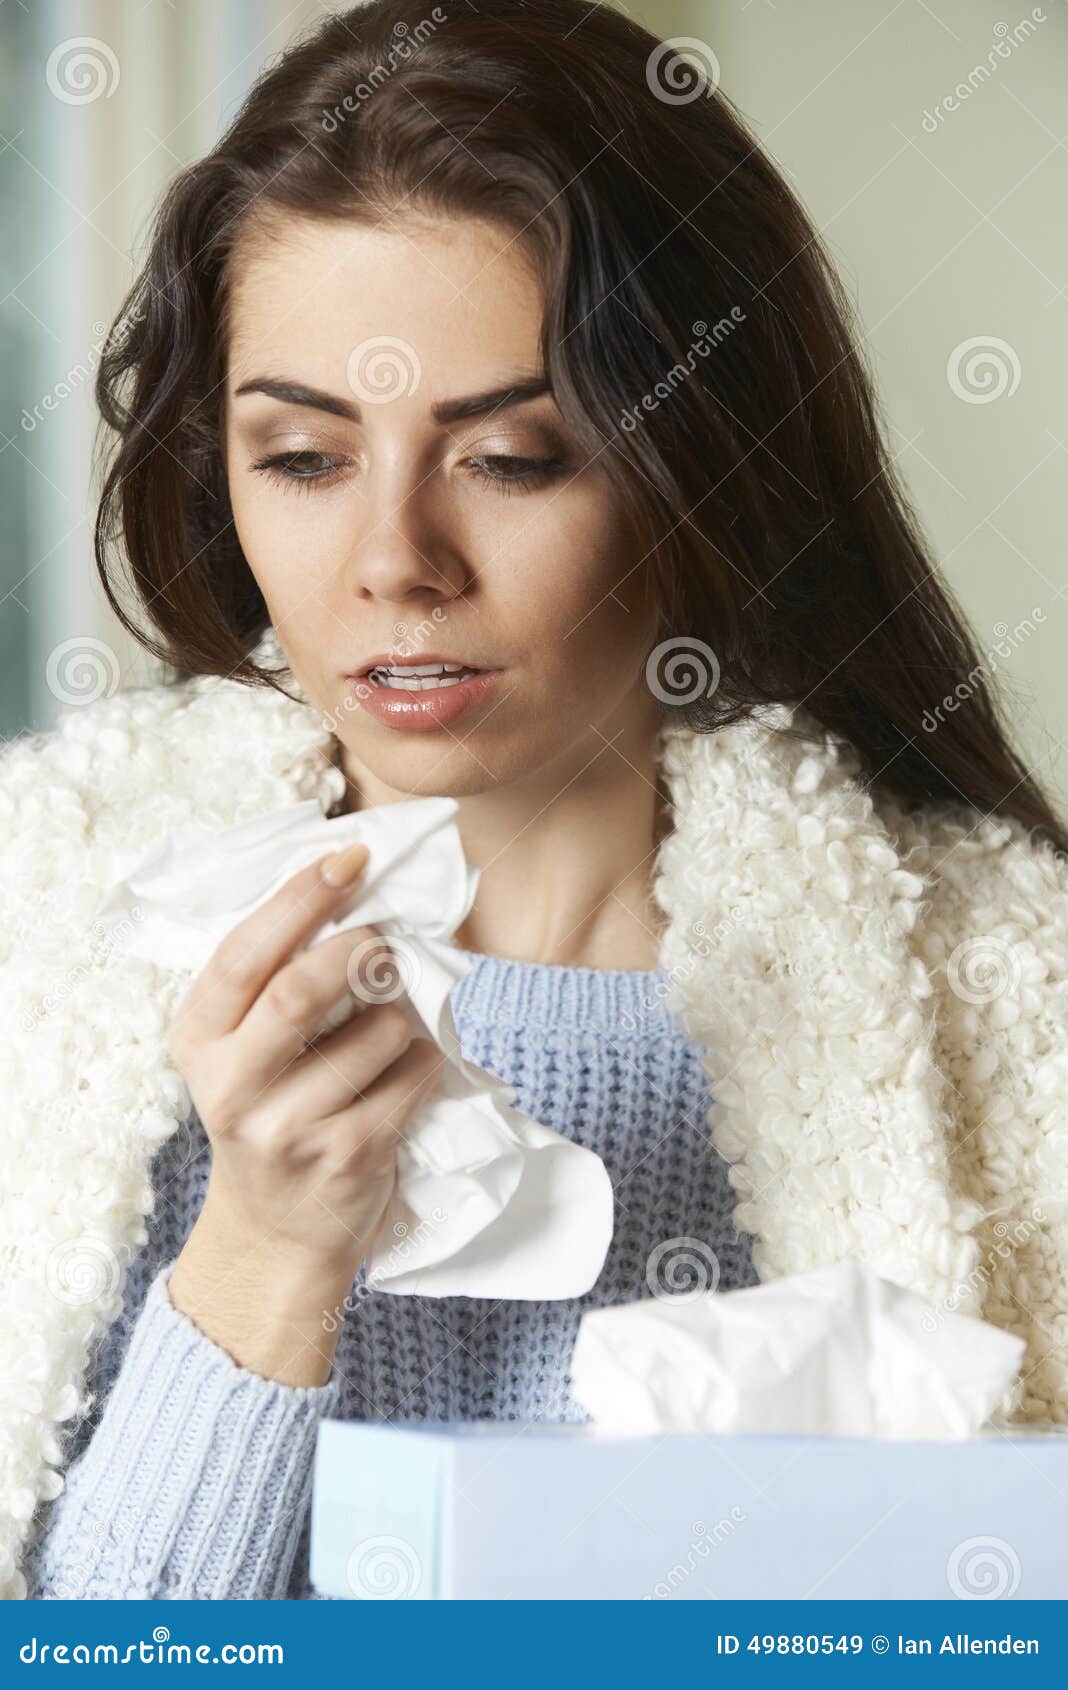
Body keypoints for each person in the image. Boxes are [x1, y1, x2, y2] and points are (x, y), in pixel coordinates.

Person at [10, 0, 1066, 1601]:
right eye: (299, 456)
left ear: (693, 458)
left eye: (510, 457)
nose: (393, 562)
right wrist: (268, 1252)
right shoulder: (45, 918)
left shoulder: (1005, 996)